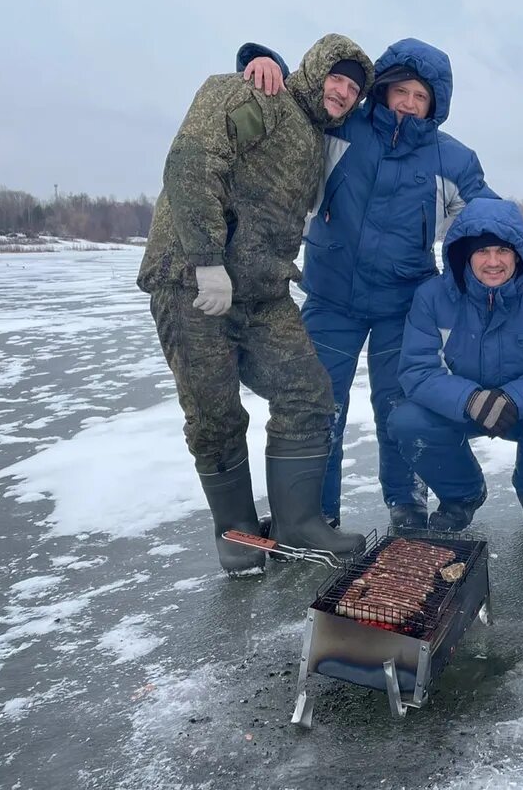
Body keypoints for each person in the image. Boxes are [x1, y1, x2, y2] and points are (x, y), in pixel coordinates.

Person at [236, 39, 523, 531]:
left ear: (435, 104)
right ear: (381, 90)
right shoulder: (340, 130)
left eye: (419, 96)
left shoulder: (452, 159)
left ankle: (407, 503)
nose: (406, 102)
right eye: (399, 90)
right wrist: (261, 62)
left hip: (404, 304)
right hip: (331, 296)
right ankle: (316, 512)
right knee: (319, 405)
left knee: (397, 406)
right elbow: (292, 105)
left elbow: (488, 211)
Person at [138, 34, 374, 575]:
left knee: (308, 391)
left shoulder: (315, 139)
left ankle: (296, 524)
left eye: (352, 89)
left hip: (264, 293)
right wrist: (204, 259)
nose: (341, 92)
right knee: (214, 411)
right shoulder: (253, 95)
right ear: (314, 72)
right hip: (191, 282)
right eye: (336, 78)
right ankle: (238, 537)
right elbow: (192, 162)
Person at [389, 198, 523, 531]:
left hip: (522, 412)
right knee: (407, 421)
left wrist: (513, 399)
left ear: (519, 253)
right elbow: (419, 371)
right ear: (464, 254)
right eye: (482, 252)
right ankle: (462, 495)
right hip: (460, 410)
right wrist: (471, 400)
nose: (493, 262)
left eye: (503, 251)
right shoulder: (431, 298)